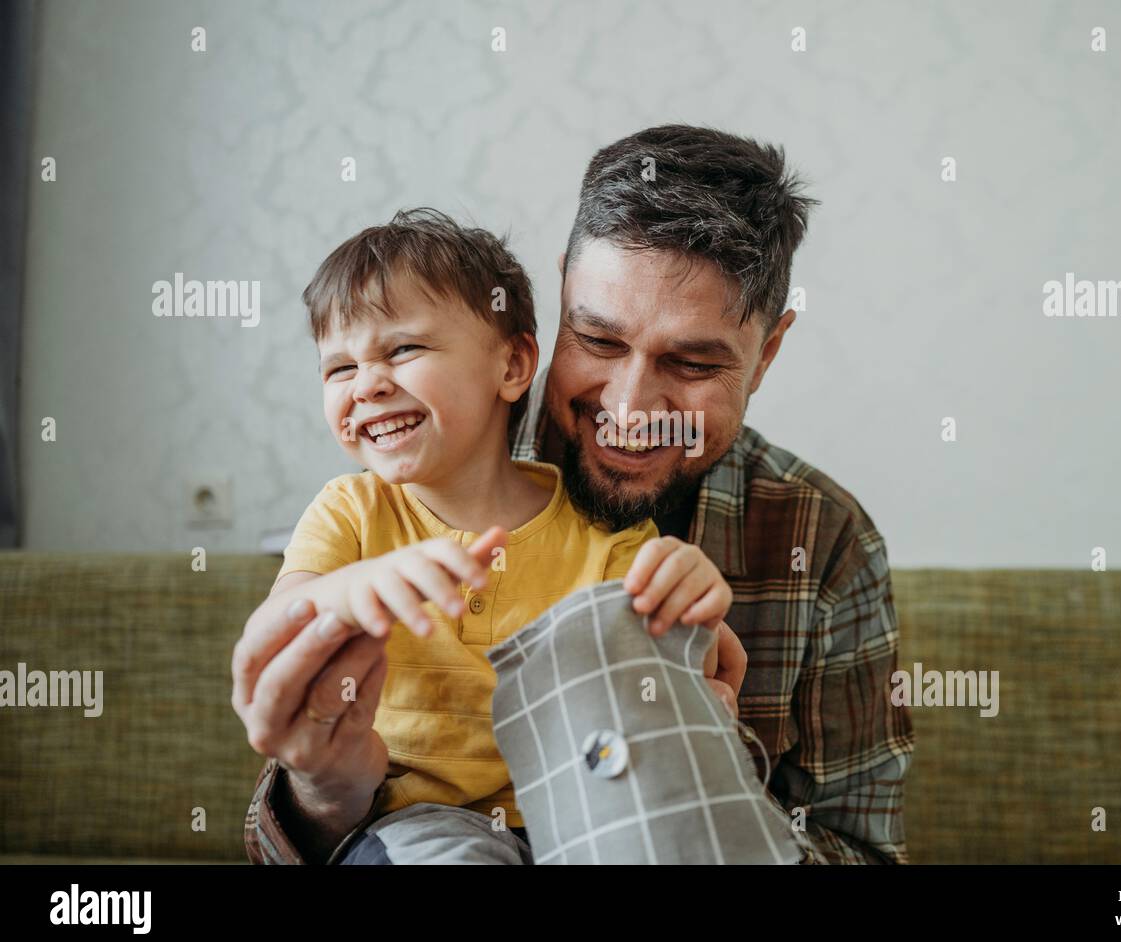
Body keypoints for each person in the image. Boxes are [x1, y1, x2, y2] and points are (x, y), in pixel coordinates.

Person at [235, 124, 914, 865]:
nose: (628, 407)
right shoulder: (427, 463)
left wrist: (703, 778)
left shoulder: (824, 539)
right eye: (599, 340)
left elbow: (864, 849)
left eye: (690, 362)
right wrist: (327, 792)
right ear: (559, 302)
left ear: (766, 354)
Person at [234, 207, 733, 864]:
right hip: (419, 827)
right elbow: (280, 634)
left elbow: (659, 699)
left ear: (513, 364)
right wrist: (353, 589)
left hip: (579, 815)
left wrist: (688, 617)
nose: (368, 384)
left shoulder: (609, 539)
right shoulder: (349, 513)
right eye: (338, 369)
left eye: (403, 349)